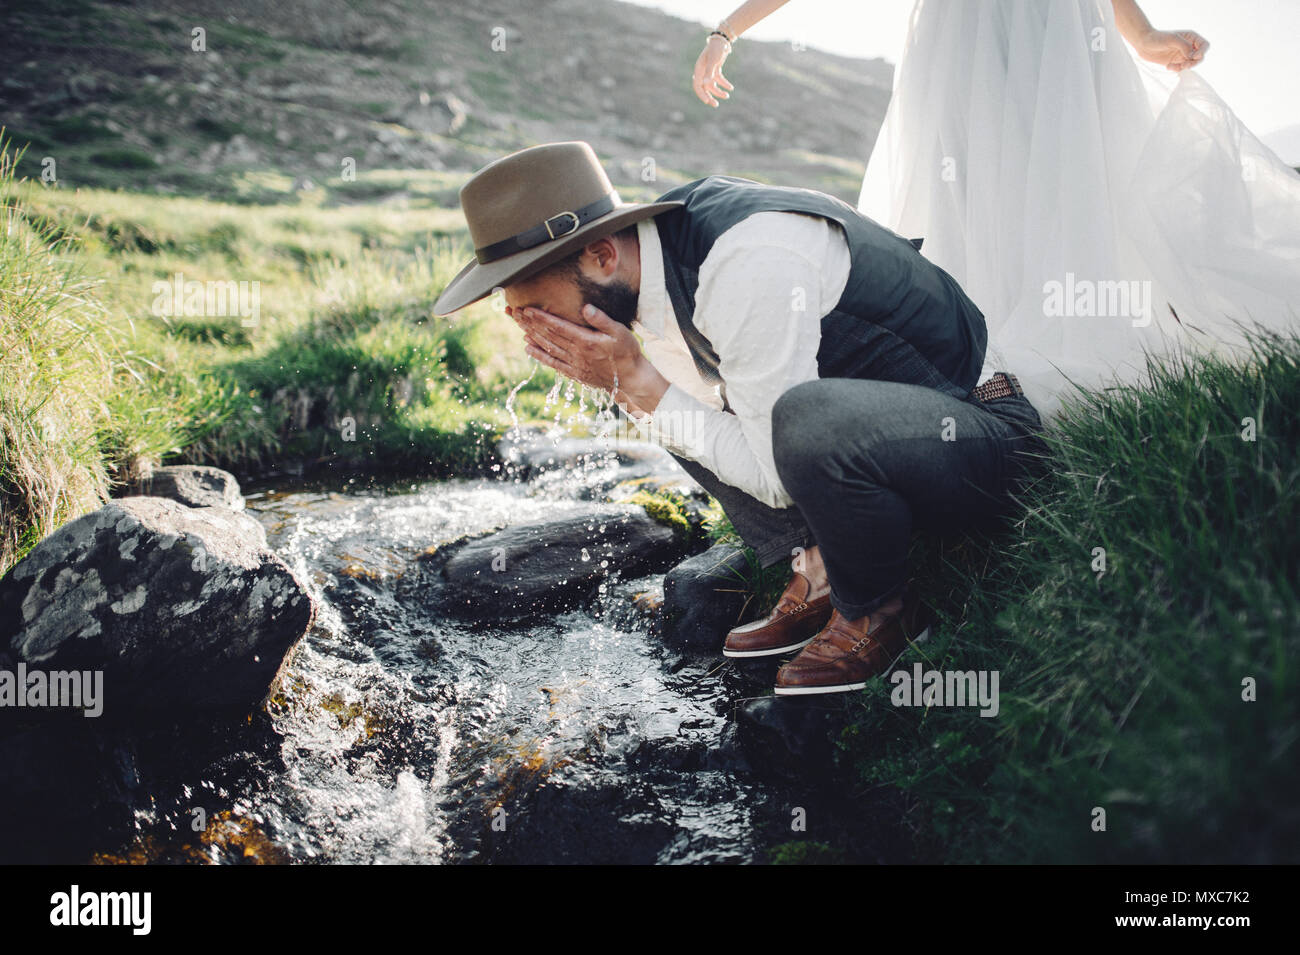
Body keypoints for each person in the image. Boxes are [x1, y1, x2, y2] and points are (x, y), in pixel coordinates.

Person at [434, 141, 1050, 695]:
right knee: (667, 398)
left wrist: (640, 384)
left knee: (766, 412)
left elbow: (778, 469)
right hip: (887, 442)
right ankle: (819, 566)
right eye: (519, 317)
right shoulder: (651, 263)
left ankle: (879, 611)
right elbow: (718, 408)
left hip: (982, 435)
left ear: (599, 256)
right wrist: (639, 386)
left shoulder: (742, 263)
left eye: (538, 307)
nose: (538, 332)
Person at [691, 0, 1300, 421]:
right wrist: (726, 31)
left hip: (1055, 26)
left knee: (1076, 177)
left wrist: (1141, 35)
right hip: (962, 41)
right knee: (973, 191)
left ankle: (1058, 346)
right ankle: (985, 365)